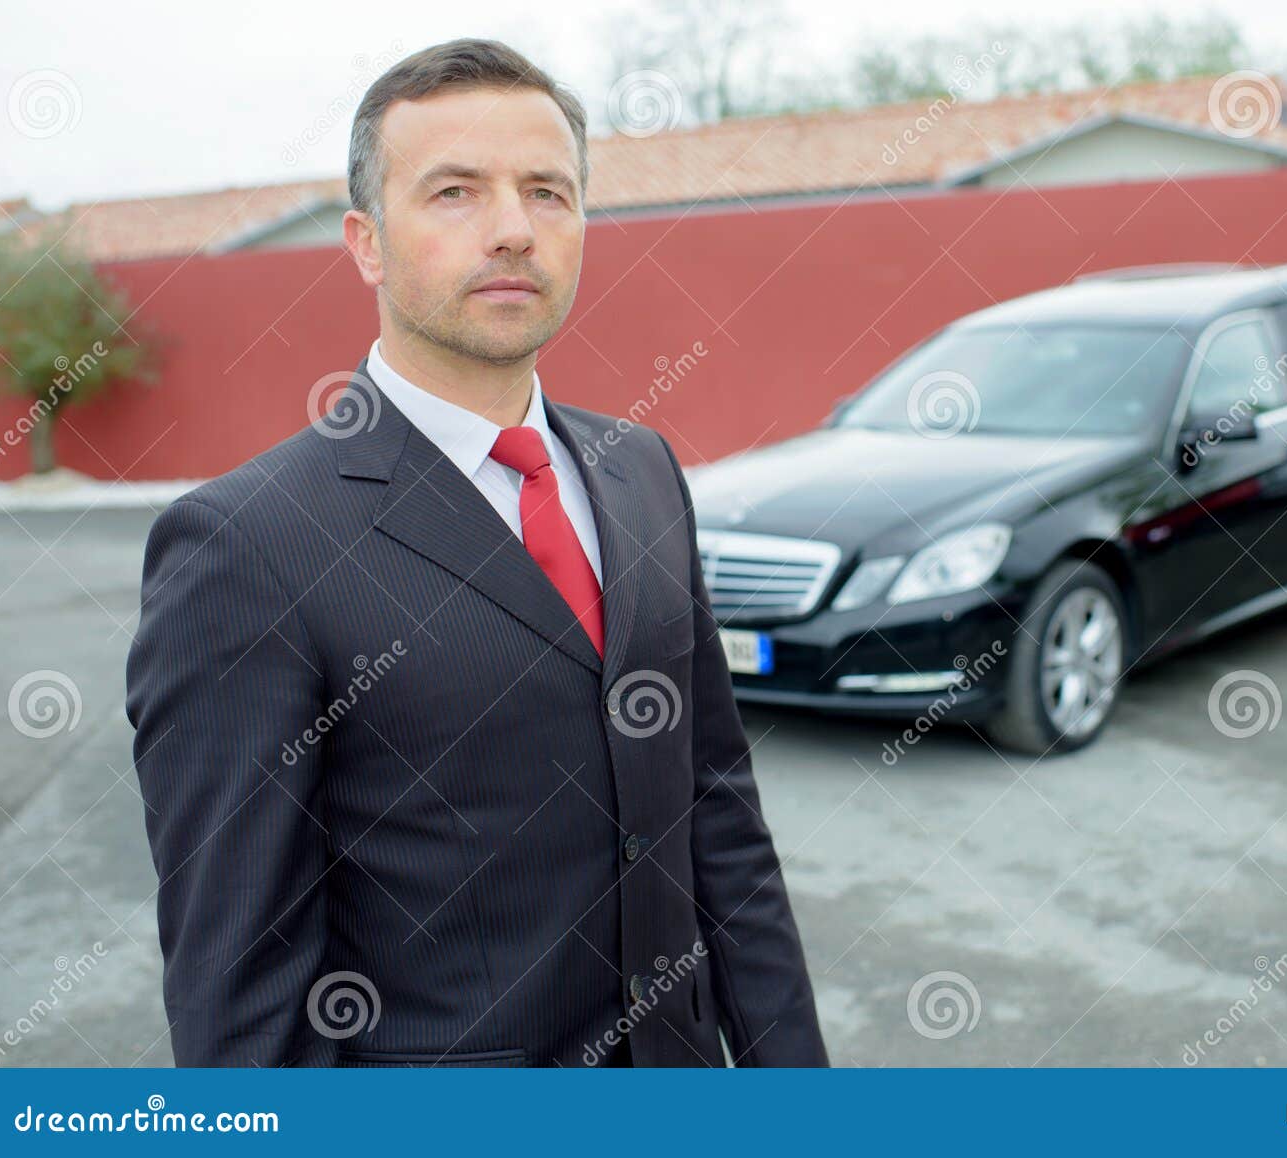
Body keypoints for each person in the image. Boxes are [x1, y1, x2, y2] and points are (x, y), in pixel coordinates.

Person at [124, 38, 827, 1068]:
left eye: (548, 192)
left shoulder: (643, 472)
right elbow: (240, 988)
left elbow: (716, 817)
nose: (513, 230)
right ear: (366, 242)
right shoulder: (245, 546)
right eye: (454, 192)